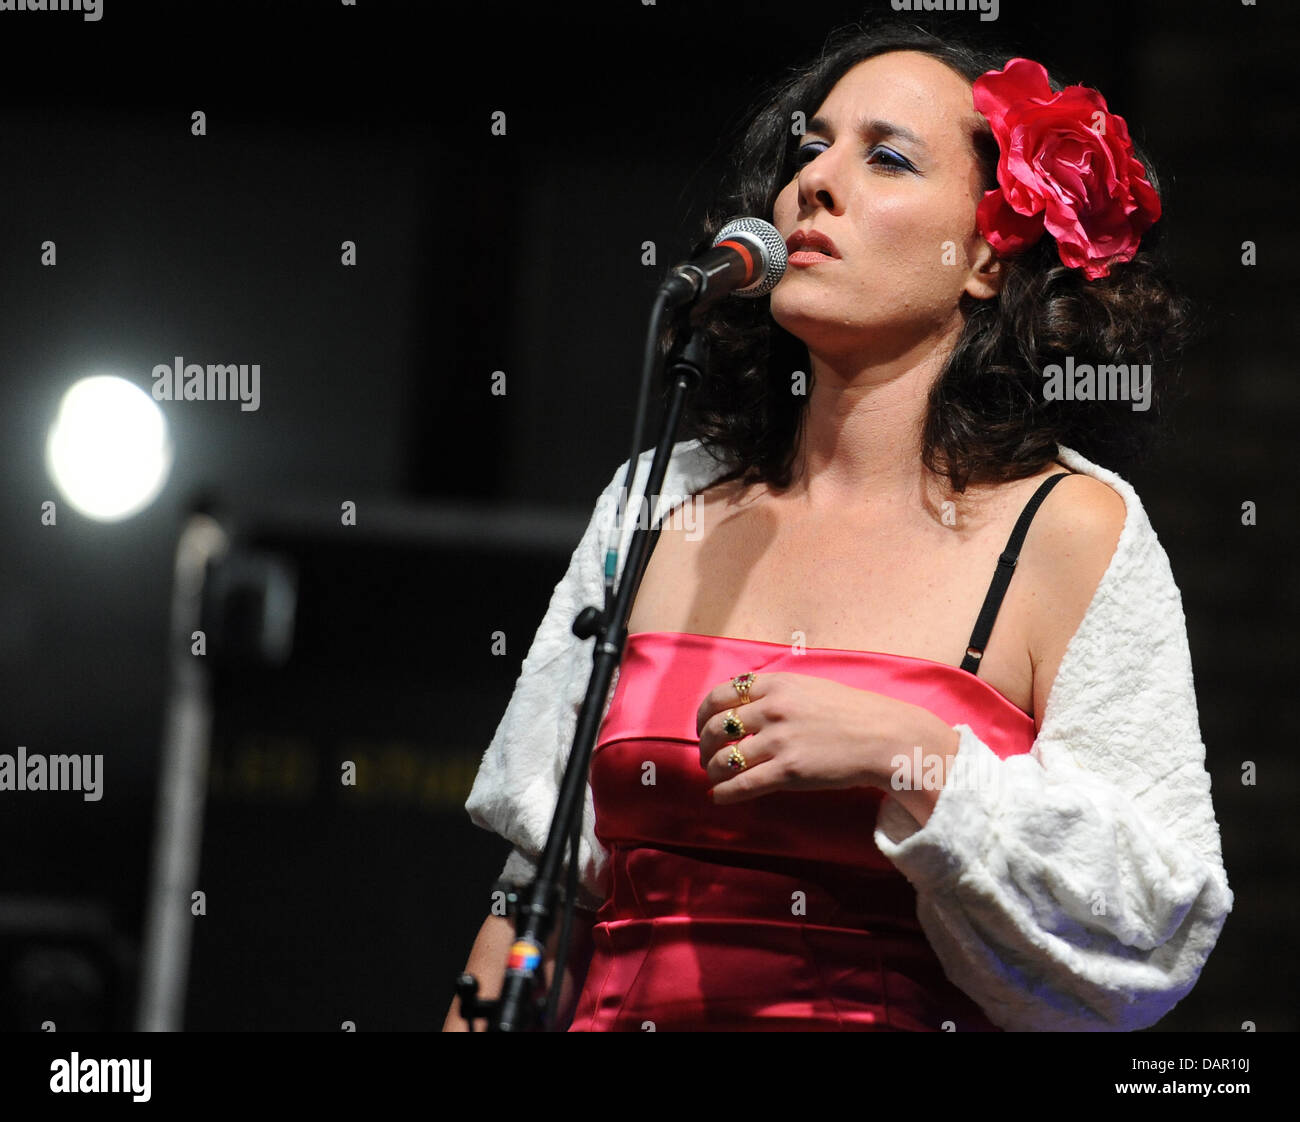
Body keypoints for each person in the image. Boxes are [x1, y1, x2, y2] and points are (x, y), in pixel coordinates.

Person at [445, 23, 1234, 1032]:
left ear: (987, 259)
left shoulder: (1068, 527)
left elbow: (1155, 926)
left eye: (887, 158)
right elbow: (534, 900)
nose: (815, 182)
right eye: (808, 149)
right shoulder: (660, 496)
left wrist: (909, 750)